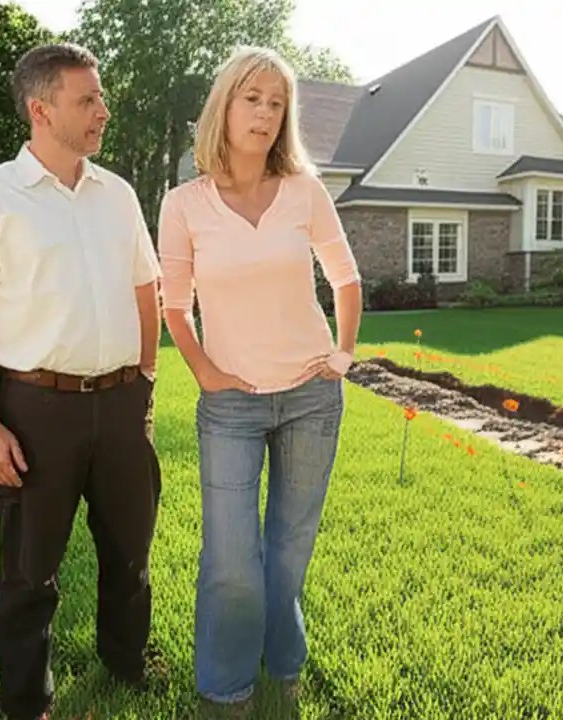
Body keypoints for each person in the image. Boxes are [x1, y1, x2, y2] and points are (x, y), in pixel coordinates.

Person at [0, 43, 163, 720]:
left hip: (121, 405)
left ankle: (125, 663)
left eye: (101, 97)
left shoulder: (117, 194)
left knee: (131, 555)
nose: (103, 111)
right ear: (40, 109)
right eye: (87, 100)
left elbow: (150, 291)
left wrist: (144, 382)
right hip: (34, 409)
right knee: (29, 572)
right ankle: (25, 701)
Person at [156, 46, 363, 707]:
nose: (267, 113)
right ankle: (225, 688)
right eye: (254, 98)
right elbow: (174, 303)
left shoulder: (304, 192)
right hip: (232, 407)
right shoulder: (183, 204)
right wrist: (205, 370)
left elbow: (347, 278)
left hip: (310, 398)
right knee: (231, 560)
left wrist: (342, 355)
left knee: (289, 548)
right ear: (226, 104)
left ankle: (284, 654)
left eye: (277, 104)